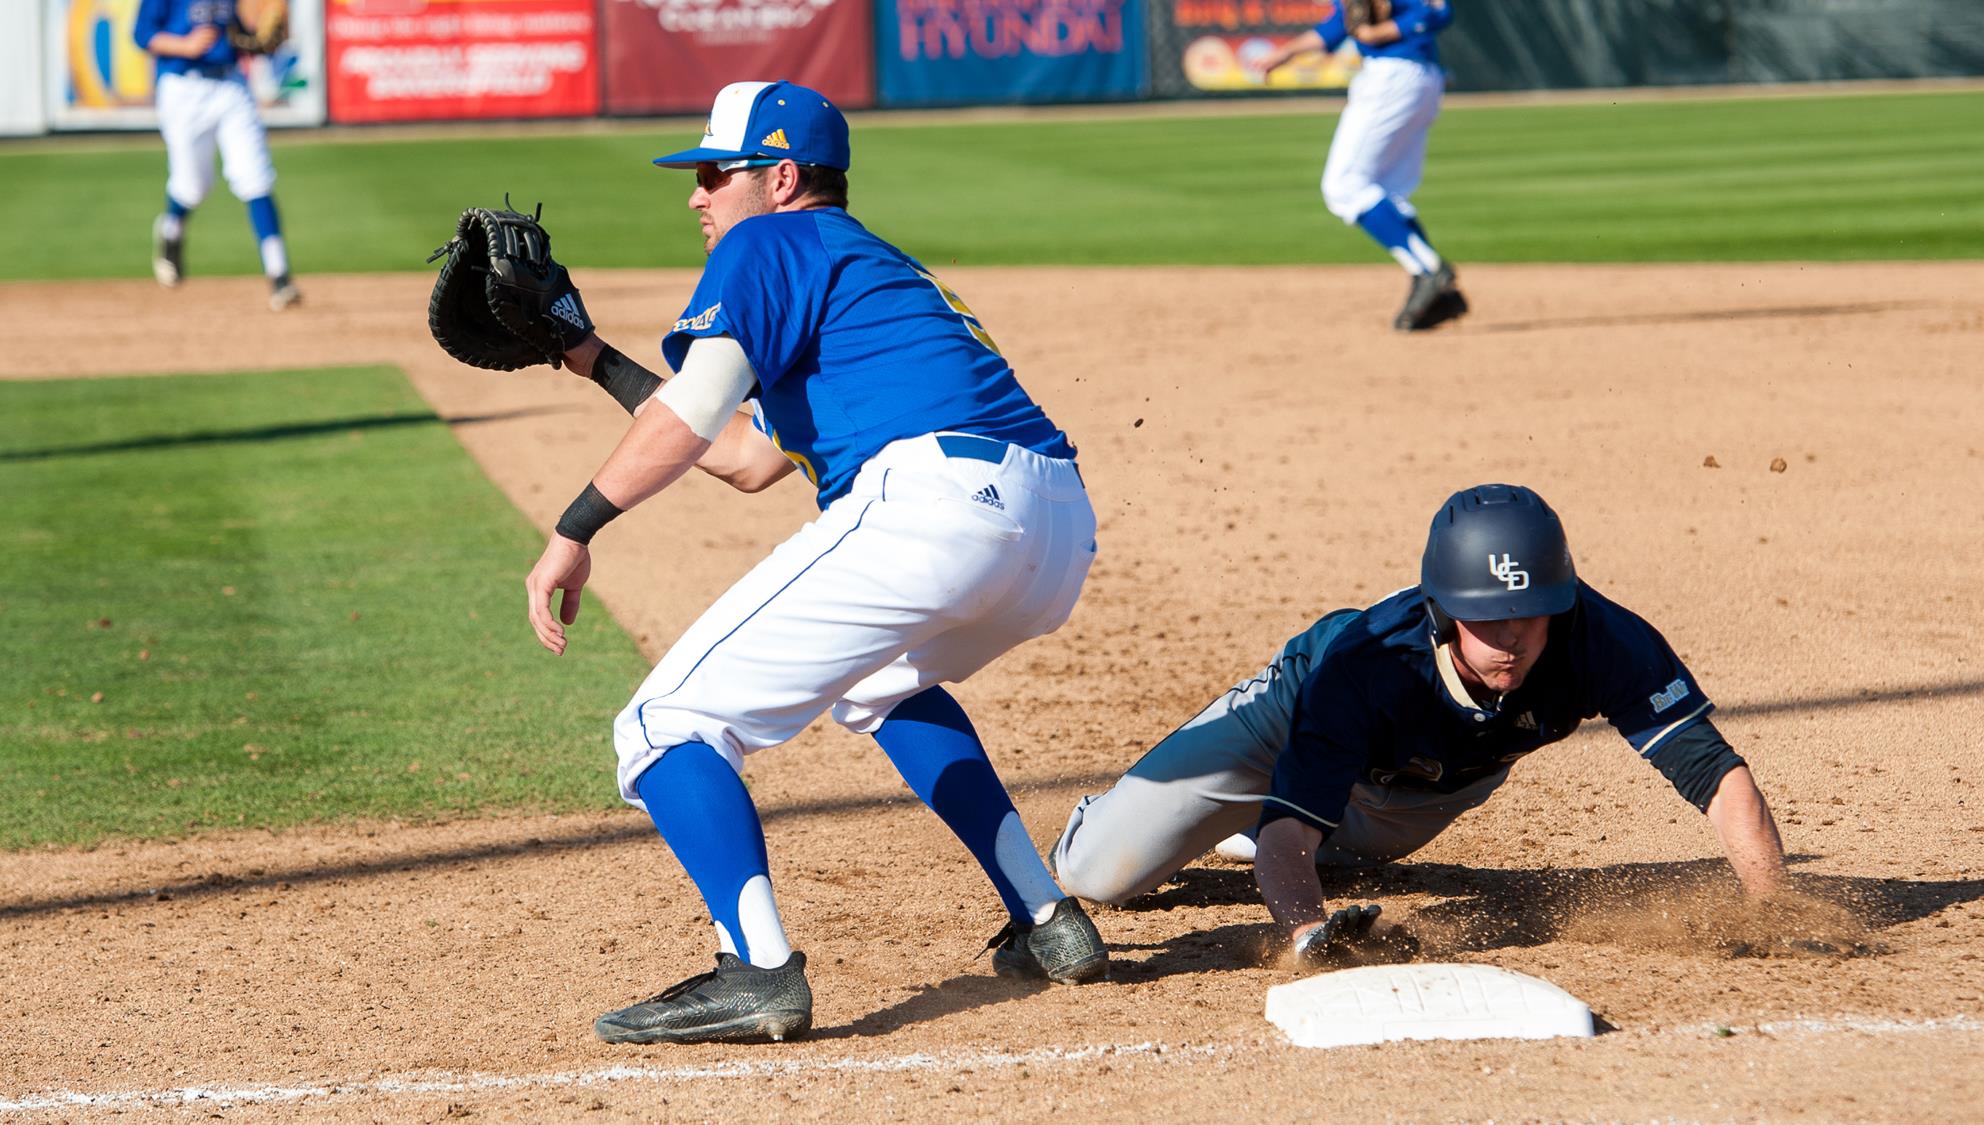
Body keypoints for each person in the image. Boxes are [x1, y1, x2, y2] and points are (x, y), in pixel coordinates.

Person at [515, 81, 1108, 1045]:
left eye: (715, 173)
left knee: (664, 723)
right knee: (881, 680)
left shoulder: (767, 242)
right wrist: (586, 353)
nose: (697, 196)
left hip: (936, 507)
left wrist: (576, 526)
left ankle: (756, 970)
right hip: (1051, 527)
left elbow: (693, 412)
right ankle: (1049, 918)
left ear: (780, 177)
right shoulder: (865, 265)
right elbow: (747, 458)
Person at [1051, 484, 1788, 964]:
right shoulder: (1366, 666)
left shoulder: (1601, 637)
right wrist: (1311, 939)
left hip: (1427, 784)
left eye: (1530, 615)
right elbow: (1289, 837)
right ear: (1442, 611)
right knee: (1102, 875)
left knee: (1340, 855)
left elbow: (1716, 774)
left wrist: (1774, 907)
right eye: (1488, 620)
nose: (1513, 638)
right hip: (1285, 723)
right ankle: (1132, 816)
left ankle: (1249, 824)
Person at [1257, 0, 1464, 332]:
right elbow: (1339, 25)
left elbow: (1437, 11)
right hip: (1418, 77)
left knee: (1344, 186)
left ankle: (1430, 270)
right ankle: (1433, 289)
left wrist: (1385, 30)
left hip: (1393, 76)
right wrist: (1288, 52)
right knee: (1385, 192)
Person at [133, 0, 301, 310]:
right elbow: (143, 35)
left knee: (255, 177)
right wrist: (185, 45)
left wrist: (259, 41)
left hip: (230, 85)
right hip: (183, 89)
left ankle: (280, 276)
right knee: (193, 186)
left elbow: (236, 35)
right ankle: (171, 228)